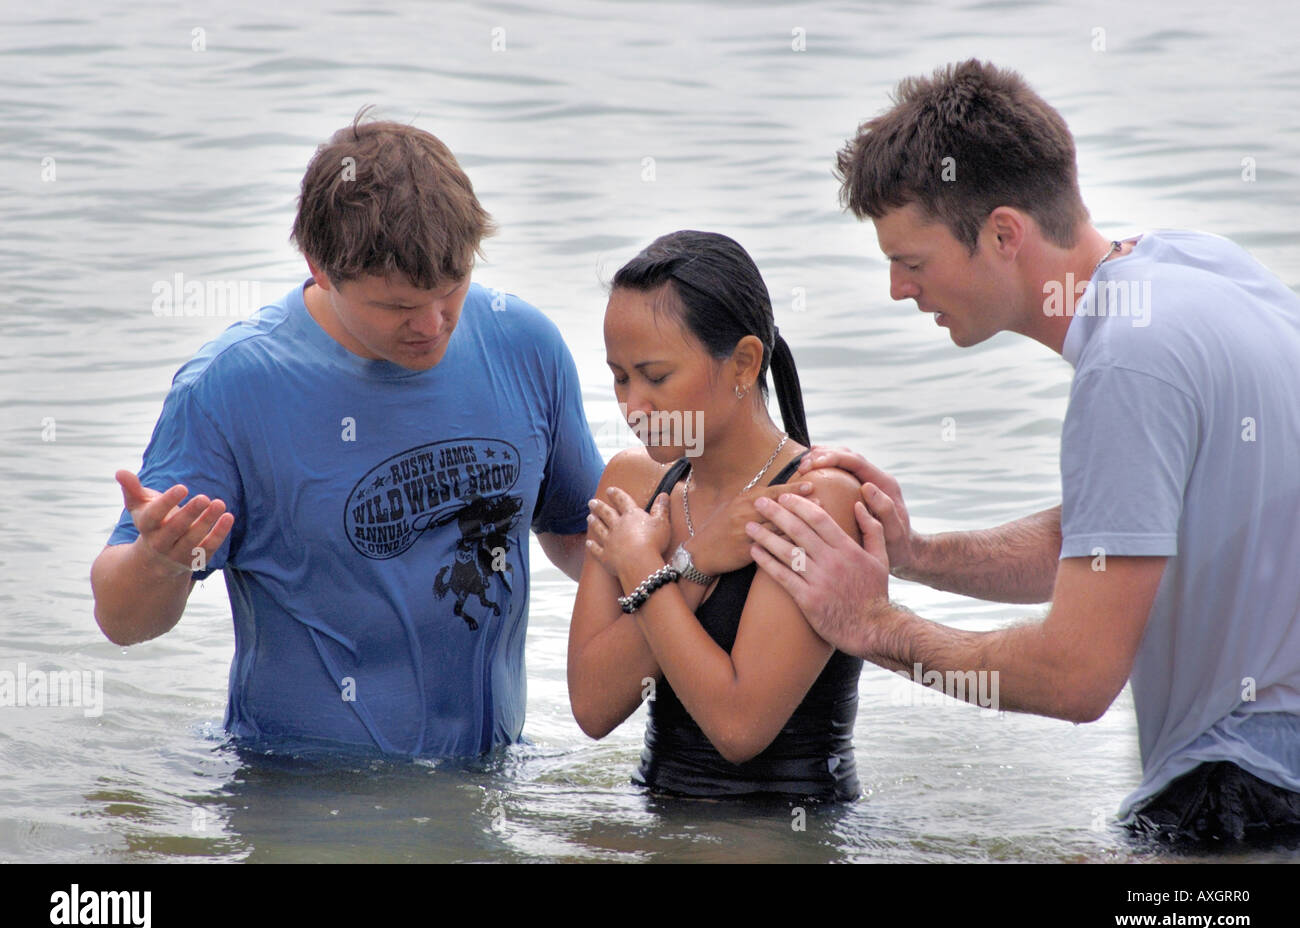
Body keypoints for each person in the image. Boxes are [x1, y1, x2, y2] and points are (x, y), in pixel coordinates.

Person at [746, 60, 1300, 845]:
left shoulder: (1127, 365)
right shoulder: (1203, 267)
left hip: (1252, 793)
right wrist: (912, 551)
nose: (900, 291)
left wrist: (869, 624)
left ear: (1004, 234)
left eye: (911, 261)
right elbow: (1118, 536)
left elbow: (1076, 676)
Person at [90, 111, 605, 759]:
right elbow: (122, 621)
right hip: (303, 796)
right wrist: (158, 562)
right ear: (319, 267)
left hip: (486, 784)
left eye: (453, 291)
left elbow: (584, 535)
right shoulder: (233, 389)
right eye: (396, 306)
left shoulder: (524, 345)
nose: (434, 325)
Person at [568, 230, 864, 801]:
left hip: (786, 837)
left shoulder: (813, 500)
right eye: (620, 376)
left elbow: (738, 726)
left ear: (745, 362)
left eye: (655, 377)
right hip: (656, 820)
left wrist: (646, 570)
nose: (632, 407)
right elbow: (592, 705)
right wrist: (693, 562)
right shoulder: (632, 486)